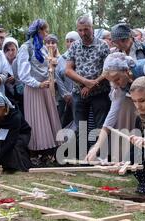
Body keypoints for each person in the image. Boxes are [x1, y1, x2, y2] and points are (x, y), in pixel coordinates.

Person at [65, 15, 111, 156]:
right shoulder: (74, 46)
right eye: (80, 30)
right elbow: (68, 70)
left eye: (86, 29)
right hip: (79, 93)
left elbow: (107, 70)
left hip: (100, 93)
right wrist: (85, 82)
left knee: (100, 126)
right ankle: (83, 157)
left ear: (92, 27)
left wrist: (92, 84)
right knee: (81, 127)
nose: (83, 33)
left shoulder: (103, 45)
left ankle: (100, 157)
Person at [17, 19, 62, 162]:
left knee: (49, 119)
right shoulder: (26, 48)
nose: (47, 34)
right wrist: (37, 84)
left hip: (46, 87)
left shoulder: (43, 47)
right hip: (34, 88)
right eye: (45, 31)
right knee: (36, 120)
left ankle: (48, 153)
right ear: (39, 31)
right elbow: (23, 73)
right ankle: (35, 153)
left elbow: (47, 67)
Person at [55, 31, 80, 128]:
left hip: (78, 94)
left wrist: (73, 92)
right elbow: (58, 76)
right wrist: (65, 94)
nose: (69, 43)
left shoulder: (81, 56)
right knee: (63, 119)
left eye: (72, 41)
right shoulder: (61, 59)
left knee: (78, 119)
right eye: (67, 41)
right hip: (65, 97)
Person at [3, 37, 24, 116]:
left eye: (13, 49)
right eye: (7, 50)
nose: (10, 52)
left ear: (17, 50)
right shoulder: (2, 63)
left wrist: (16, 78)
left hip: (21, 96)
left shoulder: (21, 62)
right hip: (7, 96)